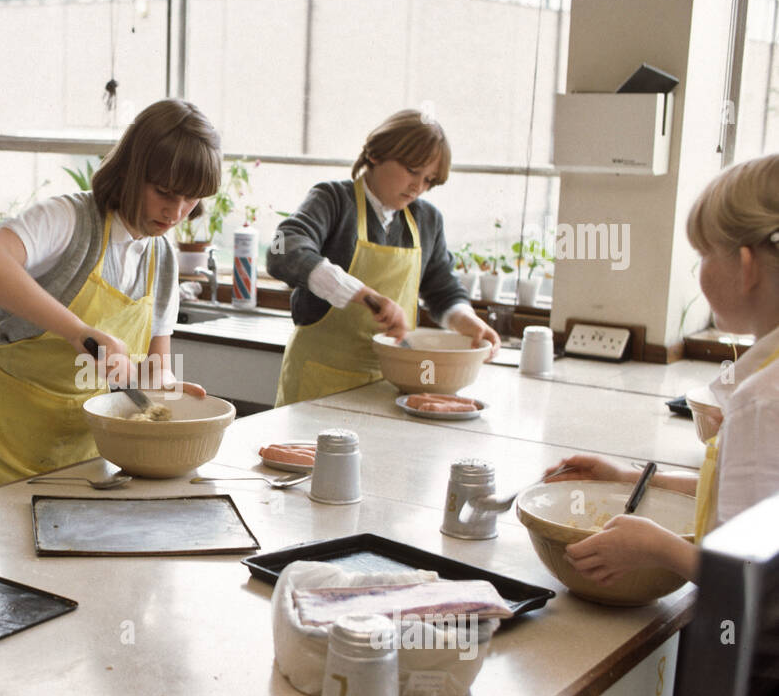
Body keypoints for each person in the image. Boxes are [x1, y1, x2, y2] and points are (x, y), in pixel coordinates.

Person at [0, 99, 219, 500]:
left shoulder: (163, 257)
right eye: (164, 192)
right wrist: (77, 330)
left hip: (82, 455)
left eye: (190, 199)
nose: (175, 212)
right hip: (0, 441)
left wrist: (167, 393)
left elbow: (153, 368)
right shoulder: (68, 218)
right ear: (132, 171)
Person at [545, 154, 779, 584]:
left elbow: (754, 584)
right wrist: (629, 479)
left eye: (703, 256)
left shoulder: (763, 401)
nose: (699, 272)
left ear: (746, 268)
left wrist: (657, 548)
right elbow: (745, 494)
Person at [267, 109, 500, 406]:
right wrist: (365, 296)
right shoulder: (333, 200)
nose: (419, 187)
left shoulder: (427, 220)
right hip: (318, 380)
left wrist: (466, 321)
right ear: (376, 154)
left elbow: (442, 289)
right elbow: (283, 250)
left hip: (391, 386)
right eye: (413, 171)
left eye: (429, 180)